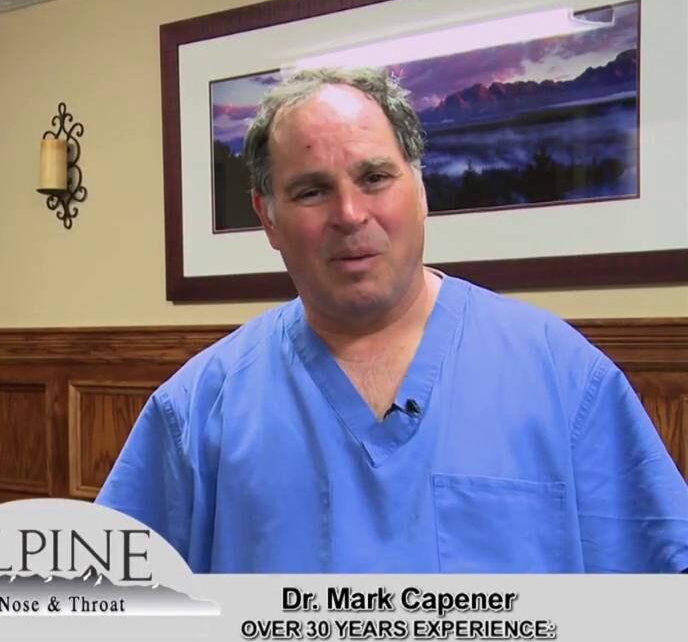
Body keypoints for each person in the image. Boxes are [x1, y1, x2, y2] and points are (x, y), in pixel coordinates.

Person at [95, 67, 688, 573]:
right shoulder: (198, 411)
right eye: (311, 191)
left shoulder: (563, 378)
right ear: (267, 217)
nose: (350, 214)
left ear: (420, 188)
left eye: (375, 178)